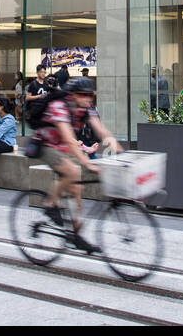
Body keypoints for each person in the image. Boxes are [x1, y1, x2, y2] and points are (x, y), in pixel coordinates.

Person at [32, 78, 122, 246]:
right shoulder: (59, 106)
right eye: (83, 95)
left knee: (77, 190)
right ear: (72, 95)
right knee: (73, 171)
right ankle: (50, 204)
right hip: (47, 144)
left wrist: (122, 153)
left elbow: (102, 131)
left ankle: (76, 236)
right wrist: (87, 163)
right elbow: (68, 138)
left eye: (90, 95)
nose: (87, 98)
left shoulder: (87, 108)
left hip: (65, 147)